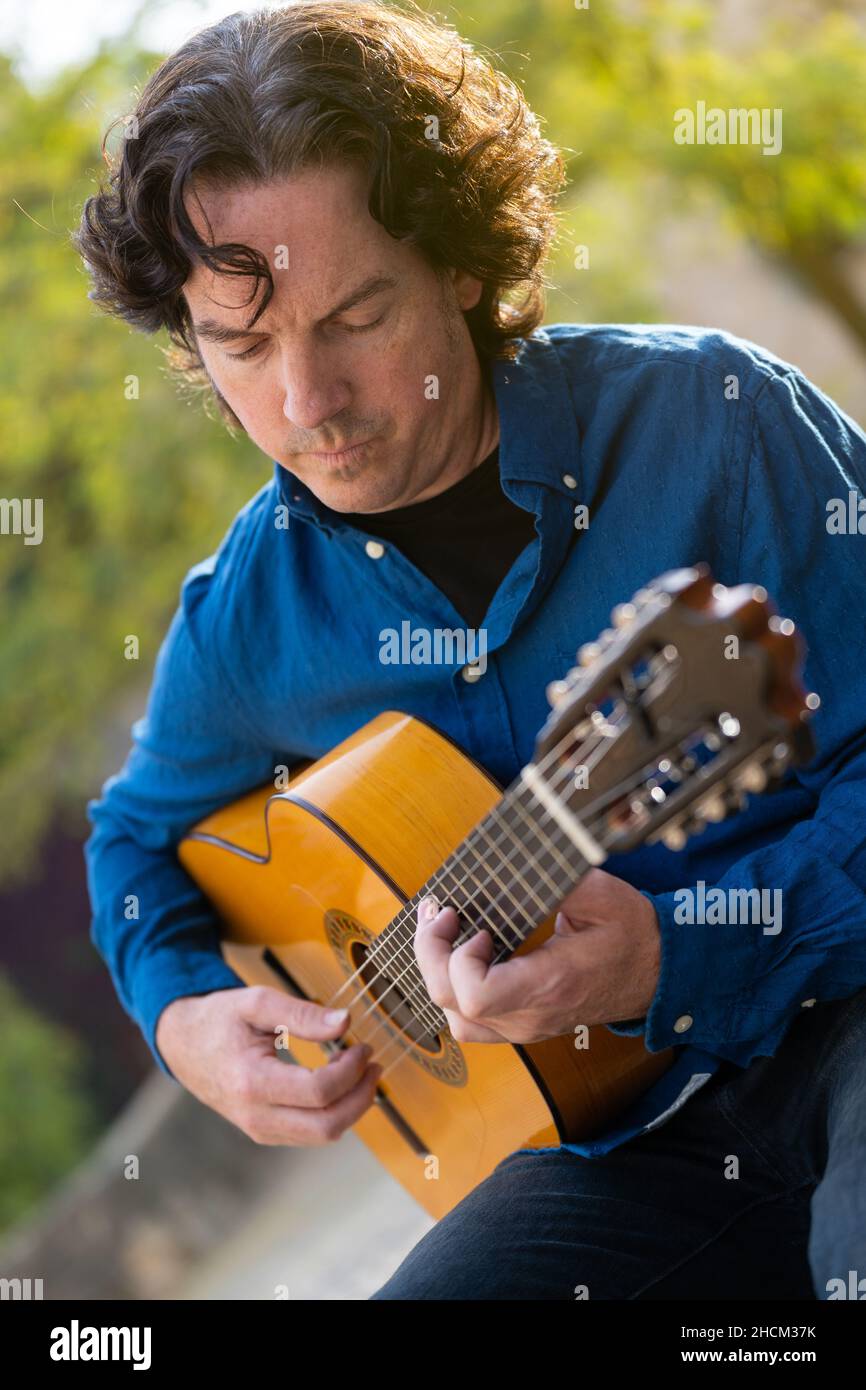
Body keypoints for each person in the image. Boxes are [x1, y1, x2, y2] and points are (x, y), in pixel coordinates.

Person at [75, 2, 866, 1299]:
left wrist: (676, 951)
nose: (305, 402)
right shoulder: (245, 618)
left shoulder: (714, 426)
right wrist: (185, 1020)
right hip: (606, 1140)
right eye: (243, 345)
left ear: (458, 260)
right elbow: (133, 846)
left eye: (354, 316)